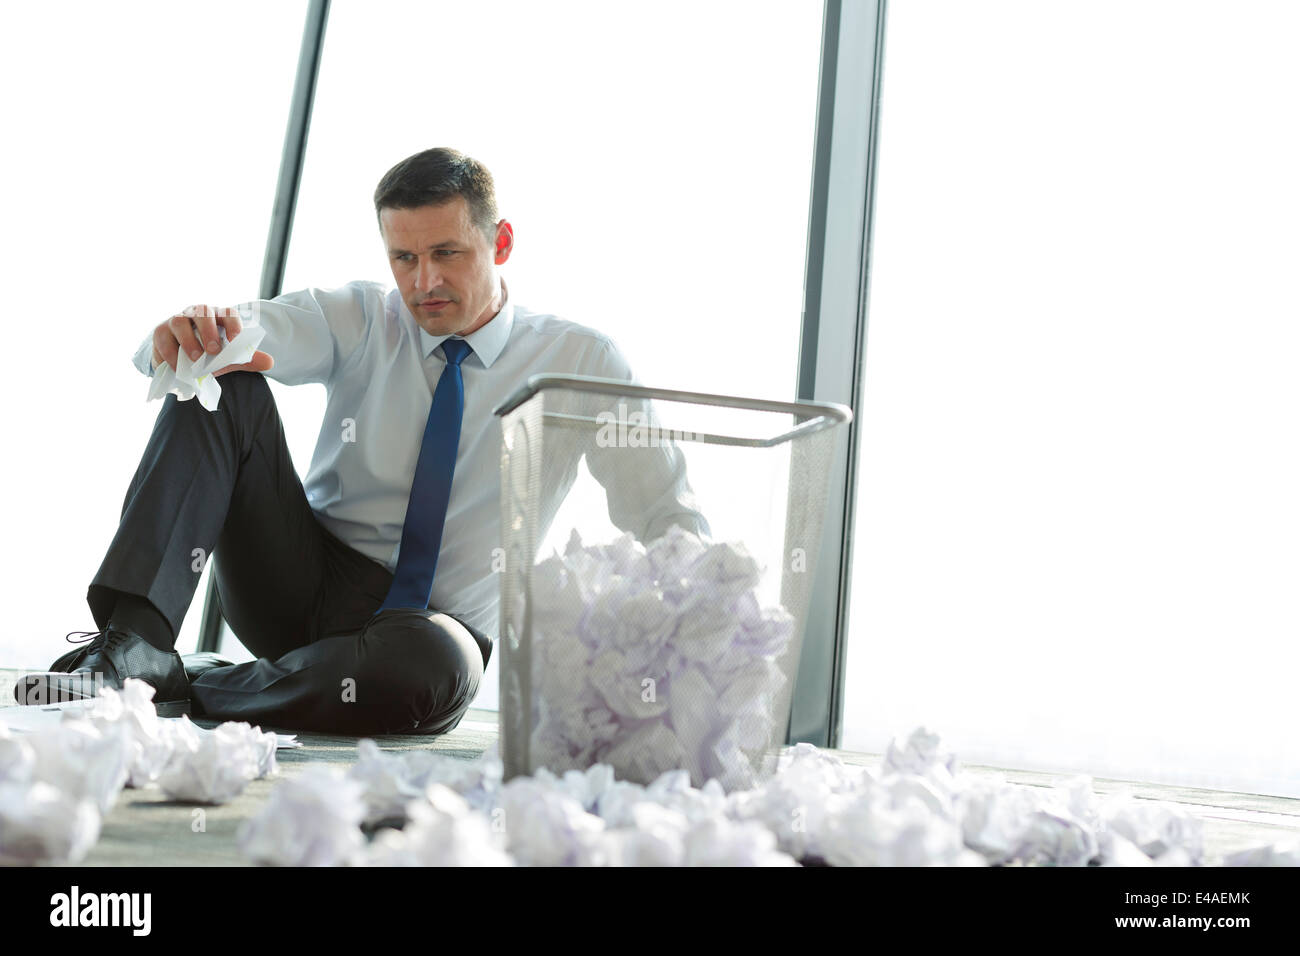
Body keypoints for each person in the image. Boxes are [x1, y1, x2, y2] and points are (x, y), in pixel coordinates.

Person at [17, 147, 706, 735]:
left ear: (499, 244)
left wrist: (707, 636)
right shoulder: (360, 316)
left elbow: (666, 514)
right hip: (301, 580)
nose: (424, 282)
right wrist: (182, 338)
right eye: (403, 257)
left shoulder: (581, 362)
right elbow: (222, 337)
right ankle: (132, 649)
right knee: (224, 382)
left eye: (446, 253)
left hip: (430, 630)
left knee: (427, 667)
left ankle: (181, 687)